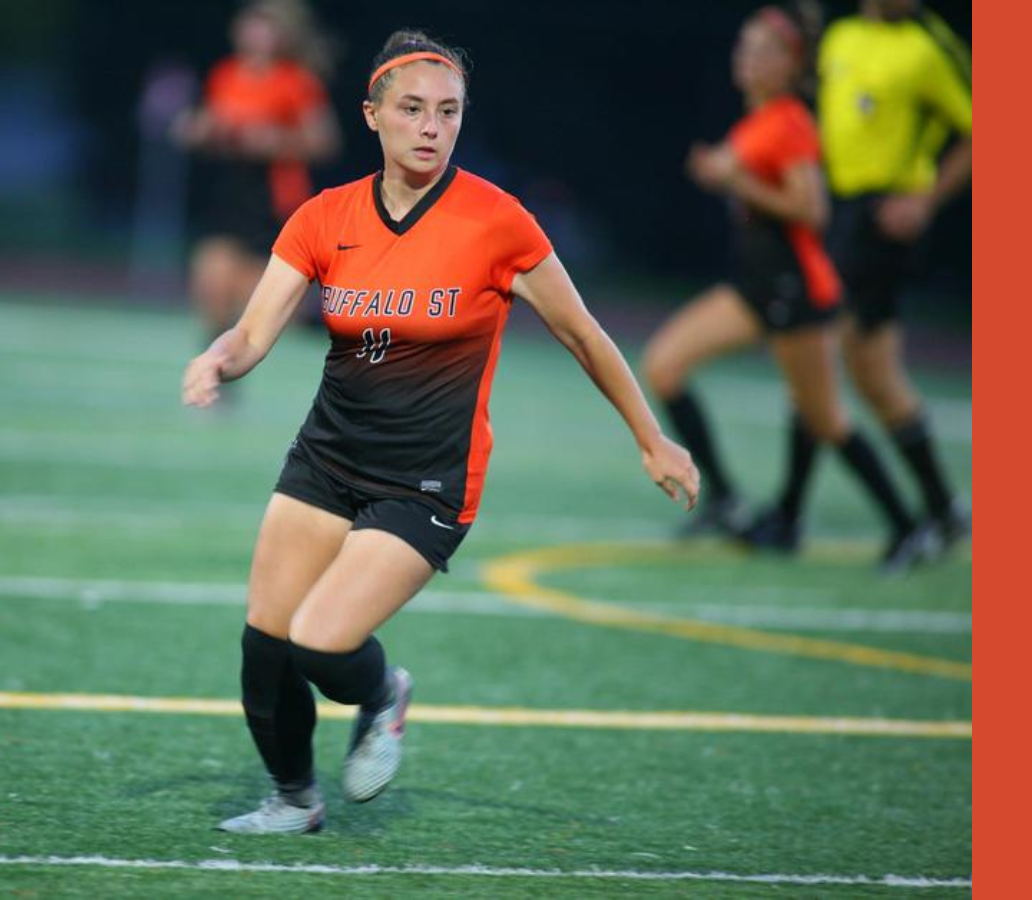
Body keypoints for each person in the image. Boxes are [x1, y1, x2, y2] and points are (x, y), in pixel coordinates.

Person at [182, 30, 699, 834]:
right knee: (265, 643)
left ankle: (383, 692)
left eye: (449, 112)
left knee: (322, 643)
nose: (431, 126)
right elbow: (252, 332)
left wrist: (650, 437)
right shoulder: (325, 217)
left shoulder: (497, 221)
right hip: (326, 459)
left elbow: (586, 335)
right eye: (414, 109)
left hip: (427, 479)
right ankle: (293, 798)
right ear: (373, 116)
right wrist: (216, 359)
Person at [640, 3, 931, 572]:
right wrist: (725, 172)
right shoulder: (758, 118)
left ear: (792, 63)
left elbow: (812, 209)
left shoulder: (790, 121)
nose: (749, 60)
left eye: (765, 51)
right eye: (745, 48)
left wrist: (736, 178)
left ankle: (909, 526)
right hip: (756, 287)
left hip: (797, 293)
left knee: (827, 421)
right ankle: (724, 498)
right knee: (664, 365)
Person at [746, 0, 971, 554]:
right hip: (838, 215)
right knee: (874, 376)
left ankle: (792, 514)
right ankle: (941, 510)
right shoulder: (843, 35)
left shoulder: (929, 45)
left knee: (814, 351)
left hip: (879, 223)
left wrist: (924, 201)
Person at [172, 0, 340, 359]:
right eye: (252, 26)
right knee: (211, 280)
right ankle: (215, 371)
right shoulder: (226, 73)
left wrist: (270, 140)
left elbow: (323, 142)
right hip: (230, 189)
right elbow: (213, 123)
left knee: (259, 297)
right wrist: (199, 130)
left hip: (272, 195)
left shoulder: (295, 82)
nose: (256, 36)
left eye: (266, 28)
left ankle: (316, 318)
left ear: (283, 36)